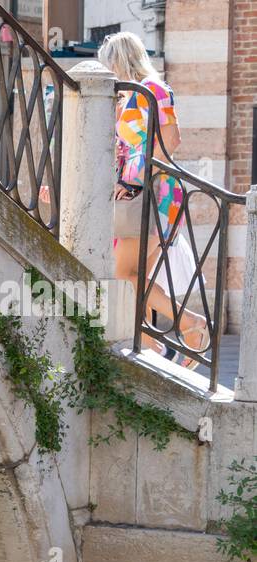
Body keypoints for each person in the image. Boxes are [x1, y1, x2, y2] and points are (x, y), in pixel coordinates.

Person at [97, 32, 207, 368]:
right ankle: (153, 346)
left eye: (110, 66)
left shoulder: (154, 90)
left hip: (154, 193)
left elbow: (171, 140)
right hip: (139, 193)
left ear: (120, 60)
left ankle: (189, 327)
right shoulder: (127, 97)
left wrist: (134, 181)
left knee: (122, 274)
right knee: (129, 276)